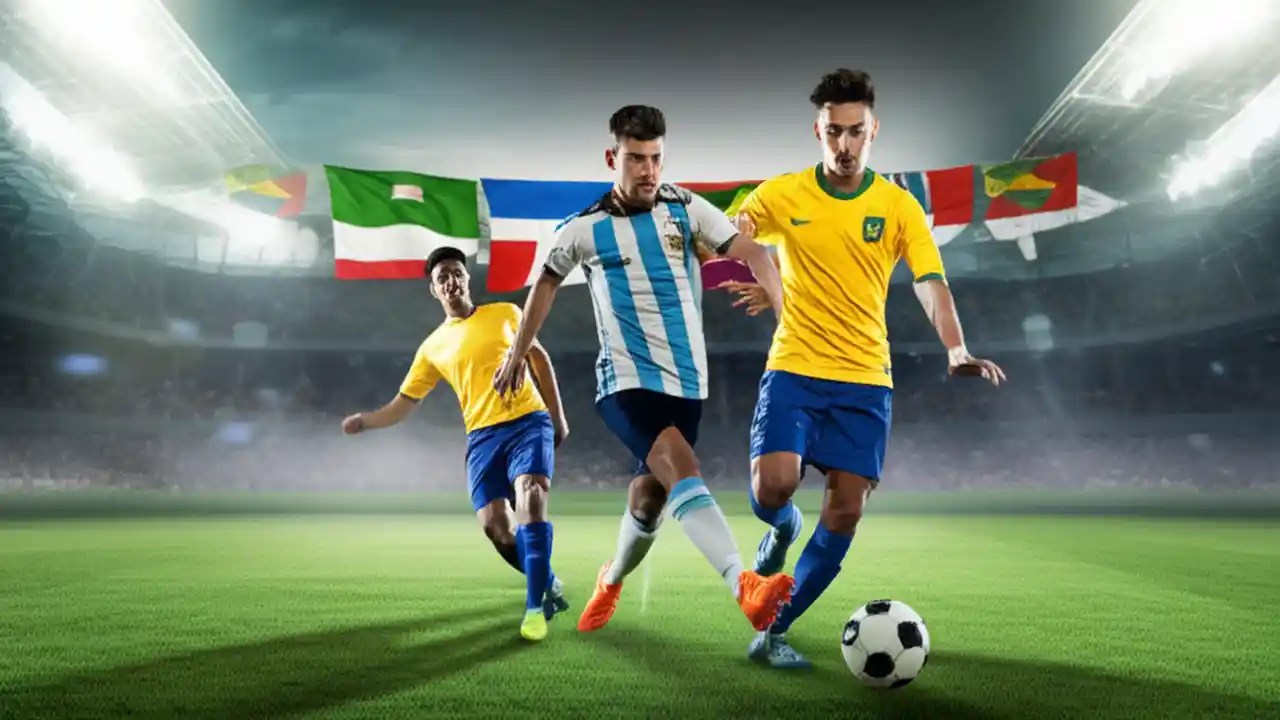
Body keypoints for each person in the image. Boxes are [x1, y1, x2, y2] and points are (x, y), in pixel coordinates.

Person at [725, 68, 1007, 668]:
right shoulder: (782, 194)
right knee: (771, 488)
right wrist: (757, 262)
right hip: (796, 366)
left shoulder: (899, 207)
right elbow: (735, 233)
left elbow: (930, 281)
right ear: (818, 131)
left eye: (856, 131)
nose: (845, 144)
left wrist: (956, 348)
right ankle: (782, 526)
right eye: (834, 131)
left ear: (873, 130)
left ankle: (775, 628)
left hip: (864, 380)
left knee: (846, 512)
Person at [492, 104, 795, 634]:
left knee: (649, 499)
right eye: (636, 158)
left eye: (656, 158)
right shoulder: (583, 228)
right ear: (613, 158)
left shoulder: (686, 208)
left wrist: (782, 314)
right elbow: (545, 285)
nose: (648, 170)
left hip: (688, 382)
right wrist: (518, 352)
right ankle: (742, 584)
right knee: (682, 465)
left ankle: (609, 580)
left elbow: (760, 255)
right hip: (625, 382)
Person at [341, 246, 571, 642]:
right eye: (442, 277)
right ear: (434, 290)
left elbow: (540, 360)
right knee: (497, 527)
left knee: (531, 497)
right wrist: (366, 422)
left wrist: (558, 417)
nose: (451, 281)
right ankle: (548, 580)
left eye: (456, 273)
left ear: (466, 278)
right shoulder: (432, 347)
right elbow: (403, 405)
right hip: (483, 436)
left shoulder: (506, 313)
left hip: (528, 422)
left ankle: (535, 610)